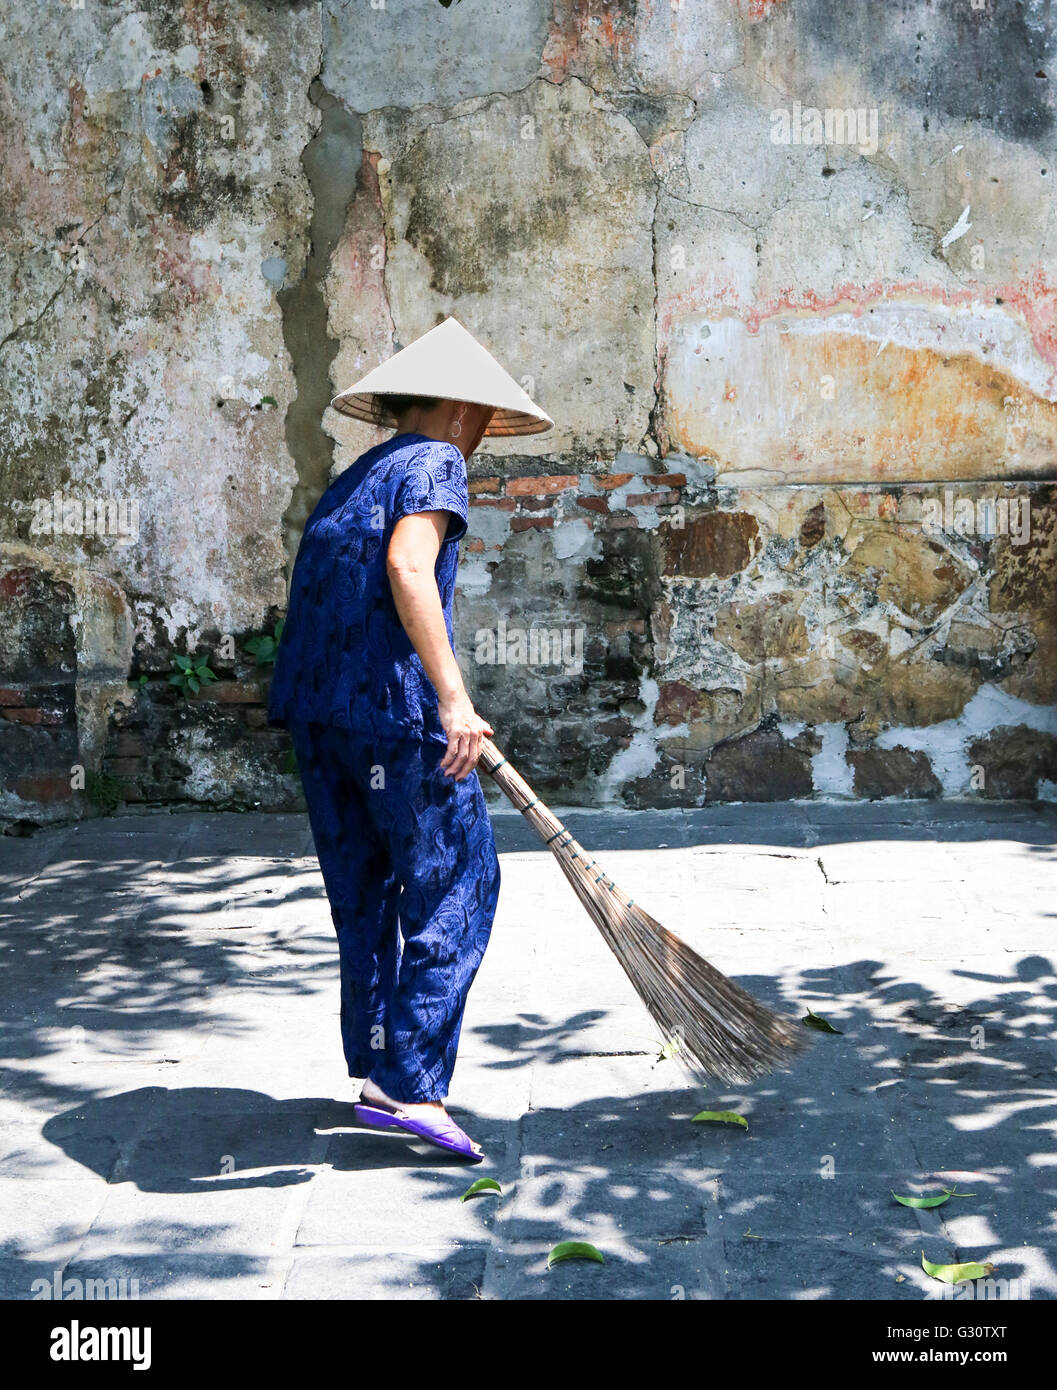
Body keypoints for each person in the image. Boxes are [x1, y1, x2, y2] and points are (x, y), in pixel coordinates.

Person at [267, 317, 553, 1161]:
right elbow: (405, 567)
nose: (483, 435)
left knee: (365, 896)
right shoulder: (437, 461)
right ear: (461, 407)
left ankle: (378, 1068)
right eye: (484, 416)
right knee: (461, 883)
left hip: (322, 720)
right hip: (397, 722)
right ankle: (410, 1084)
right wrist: (455, 703)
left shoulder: (359, 472)